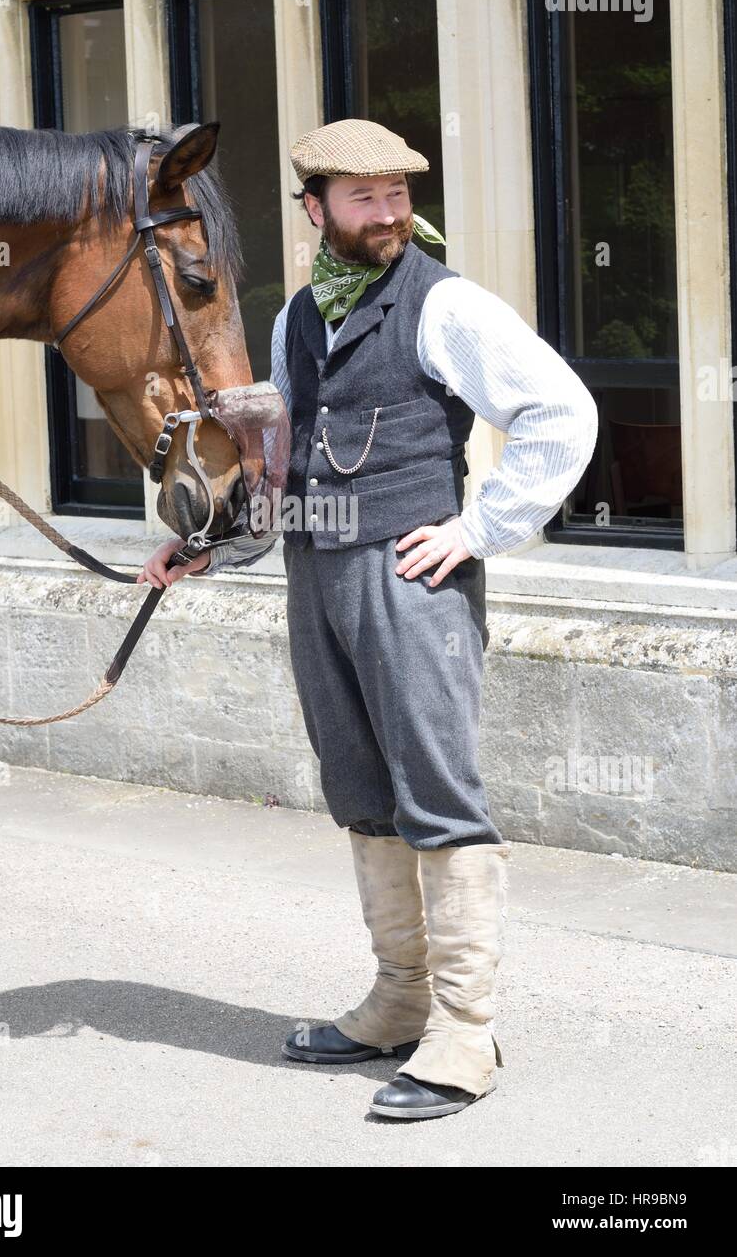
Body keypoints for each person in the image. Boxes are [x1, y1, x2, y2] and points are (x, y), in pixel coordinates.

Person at [139, 118, 599, 1120]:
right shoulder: (295, 319)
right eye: (362, 196)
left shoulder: (446, 305)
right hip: (316, 578)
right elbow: (278, 467)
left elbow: (560, 413)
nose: (387, 211)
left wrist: (477, 530)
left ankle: (464, 1033)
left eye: (395, 192)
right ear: (315, 208)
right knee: (358, 786)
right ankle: (398, 999)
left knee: (437, 793)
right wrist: (204, 544)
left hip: (409, 580)